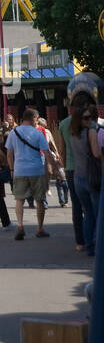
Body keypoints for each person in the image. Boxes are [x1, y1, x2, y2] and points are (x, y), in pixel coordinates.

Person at [58, 84, 99, 252]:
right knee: (93, 208)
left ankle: (80, 241)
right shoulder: (91, 127)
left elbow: (62, 150)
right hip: (89, 170)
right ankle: (93, 241)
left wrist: (62, 165)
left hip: (71, 168)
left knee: (77, 206)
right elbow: (96, 152)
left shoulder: (63, 124)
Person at [6, 107, 54, 240]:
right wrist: (54, 168)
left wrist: (11, 169)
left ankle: (20, 226)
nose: (37, 122)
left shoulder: (13, 132)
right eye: (36, 120)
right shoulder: (38, 133)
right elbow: (47, 152)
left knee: (19, 200)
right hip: (36, 170)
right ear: (34, 118)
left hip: (19, 170)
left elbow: (9, 154)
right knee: (39, 200)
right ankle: (40, 228)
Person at [70, 100, 102, 258]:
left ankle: (89, 246)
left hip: (78, 176)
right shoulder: (91, 132)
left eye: (90, 117)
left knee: (88, 213)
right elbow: (96, 153)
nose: (90, 120)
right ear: (80, 120)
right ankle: (96, 245)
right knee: (97, 213)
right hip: (92, 176)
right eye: (86, 118)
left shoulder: (73, 135)